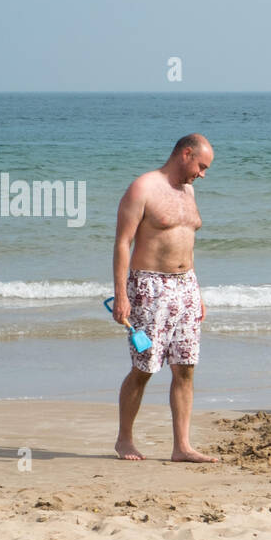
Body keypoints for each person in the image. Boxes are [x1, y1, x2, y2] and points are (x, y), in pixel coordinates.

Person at [111, 133, 218, 462]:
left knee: (185, 368)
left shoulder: (190, 191)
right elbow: (122, 243)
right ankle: (124, 440)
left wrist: (196, 292)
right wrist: (121, 296)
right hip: (149, 288)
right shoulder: (143, 187)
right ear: (186, 154)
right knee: (144, 368)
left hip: (185, 287)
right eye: (201, 166)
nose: (202, 174)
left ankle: (181, 446)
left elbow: (187, 244)